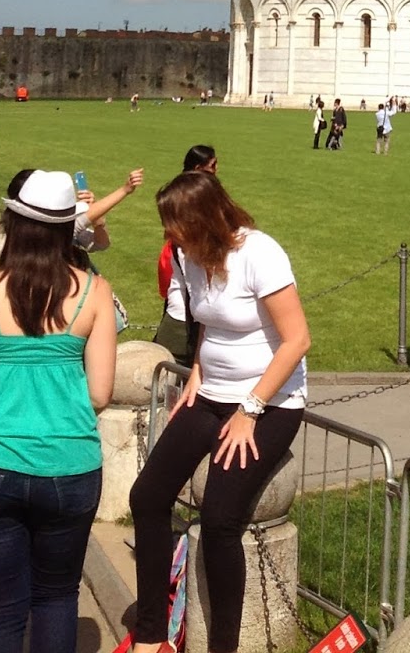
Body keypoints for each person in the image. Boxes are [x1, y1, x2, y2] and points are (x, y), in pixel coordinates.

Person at [129, 171, 310, 653]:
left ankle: (222, 646)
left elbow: (297, 340)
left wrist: (251, 409)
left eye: (177, 225)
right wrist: (197, 372)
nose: (171, 236)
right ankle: (149, 634)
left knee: (220, 519)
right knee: (147, 497)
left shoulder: (259, 253)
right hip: (212, 393)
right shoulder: (190, 257)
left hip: (270, 404)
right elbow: (209, 323)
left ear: (206, 219)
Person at [0, 169, 116, 653]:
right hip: (70, 463)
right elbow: (100, 393)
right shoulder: (93, 292)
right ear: (68, 230)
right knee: (57, 597)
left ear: (13, 224)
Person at [154, 144, 219, 364]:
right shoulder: (187, 243)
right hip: (185, 328)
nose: (217, 169)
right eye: (212, 165)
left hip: (184, 321)